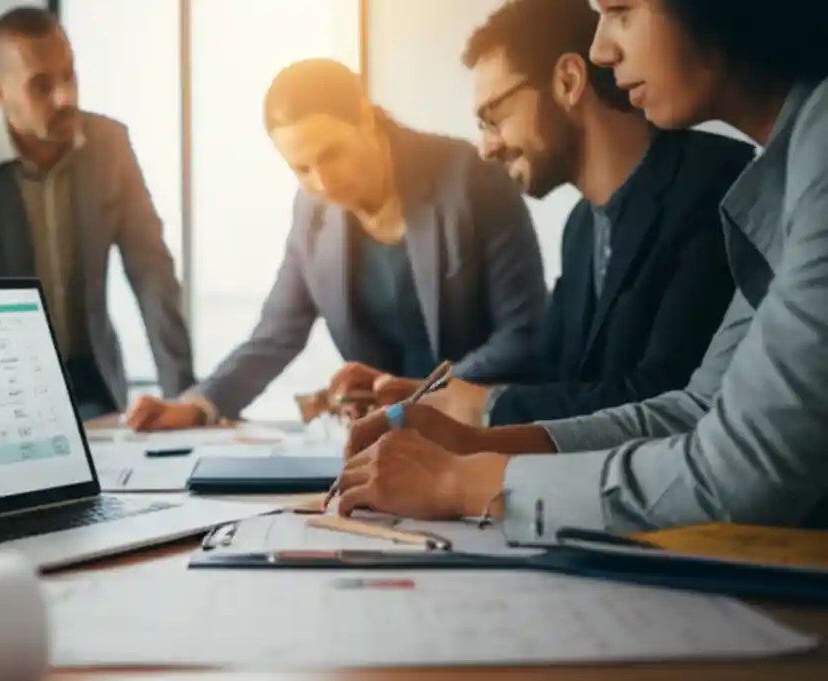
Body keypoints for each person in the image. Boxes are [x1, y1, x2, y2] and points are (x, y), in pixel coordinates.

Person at [332, 0, 828, 540]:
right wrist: (474, 443)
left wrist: (467, 480)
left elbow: (743, 471)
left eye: (620, 10)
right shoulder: (787, 168)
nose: (600, 51)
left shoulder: (760, 173)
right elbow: (696, 408)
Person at [334, 0, 748, 428]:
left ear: (568, 81)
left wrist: (482, 407)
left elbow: (666, 397)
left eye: (494, 118)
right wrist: (424, 394)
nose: (486, 148)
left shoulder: (716, 190)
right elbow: (552, 377)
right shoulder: (581, 228)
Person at [125, 59, 546, 431]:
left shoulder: (471, 179)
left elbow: (524, 332)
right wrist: (198, 405)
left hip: (485, 428)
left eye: (331, 155)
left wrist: (426, 395)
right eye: (301, 168)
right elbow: (277, 334)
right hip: (388, 437)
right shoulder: (312, 213)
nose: (323, 182)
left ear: (365, 116)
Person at [0, 6, 193, 420]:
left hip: (93, 382)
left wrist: (183, 400)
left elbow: (151, 271)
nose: (65, 97)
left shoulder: (110, 144)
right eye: (41, 85)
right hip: (1, 388)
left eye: (69, 75)